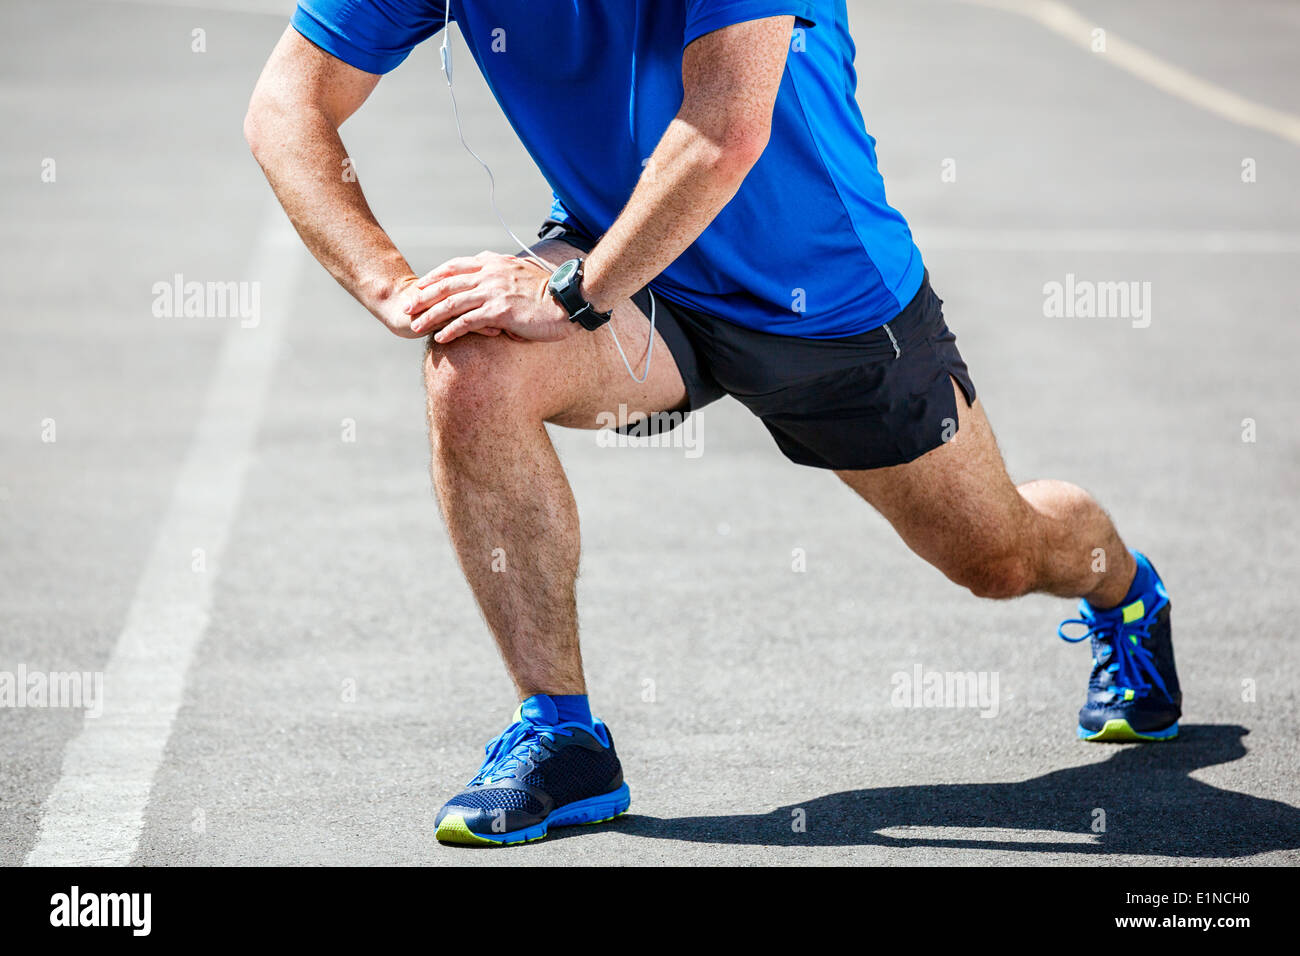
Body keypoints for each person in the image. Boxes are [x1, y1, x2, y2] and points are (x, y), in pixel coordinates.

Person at [243, 0, 1182, 847]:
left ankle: (1126, 592)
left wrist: (574, 294)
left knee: (998, 559)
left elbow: (725, 128)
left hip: (830, 304)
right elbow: (287, 105)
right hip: (633, 264)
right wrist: (393, 288)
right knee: (472, 365)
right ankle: (564, 736)